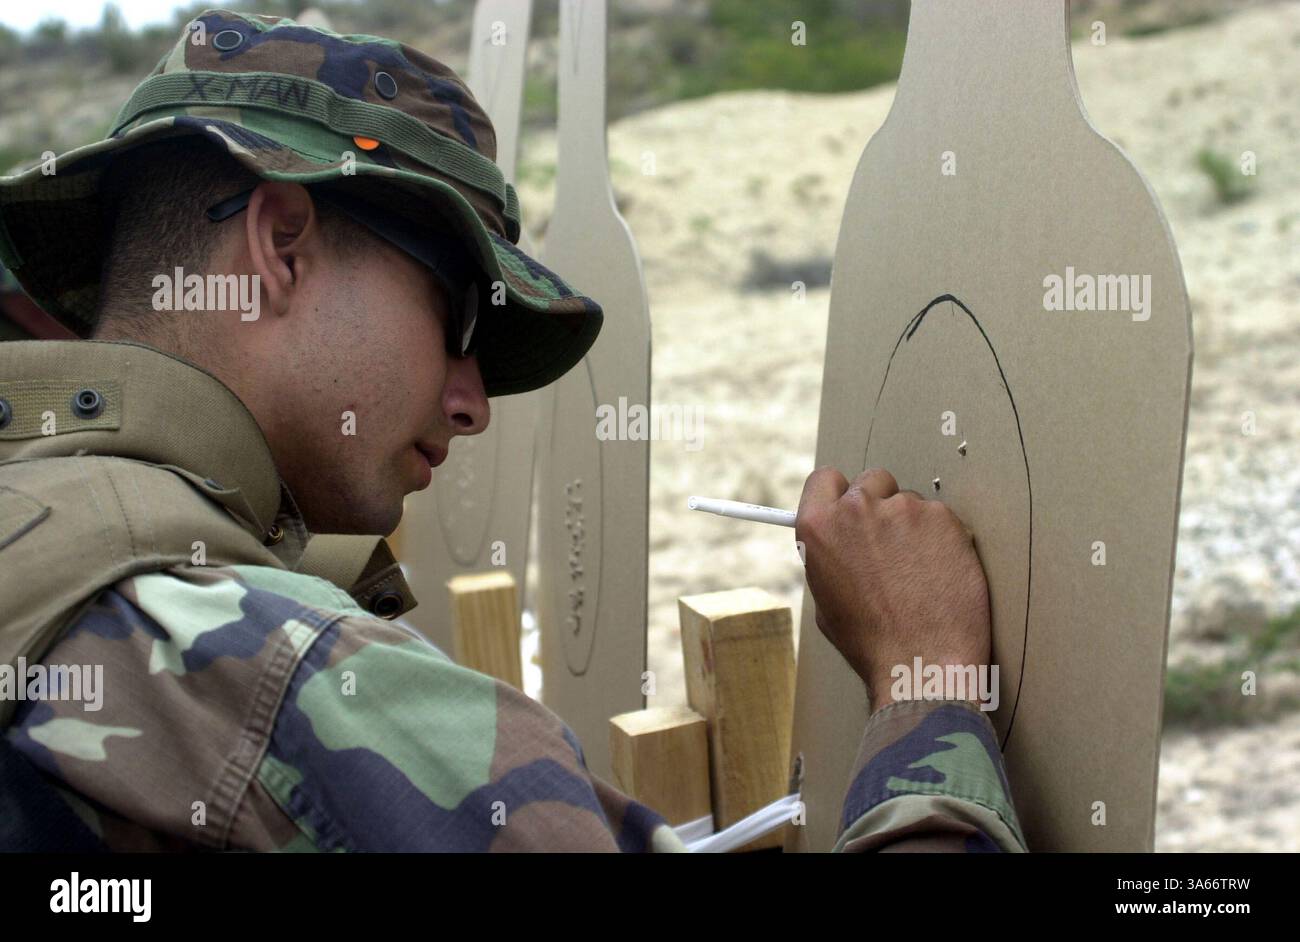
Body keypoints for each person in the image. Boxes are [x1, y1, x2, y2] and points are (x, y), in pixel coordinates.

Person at [0, 11, 1023, 852]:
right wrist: (924, 686)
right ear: (280, 245)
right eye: (459, 318)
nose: (472, 402)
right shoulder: (292, 683)